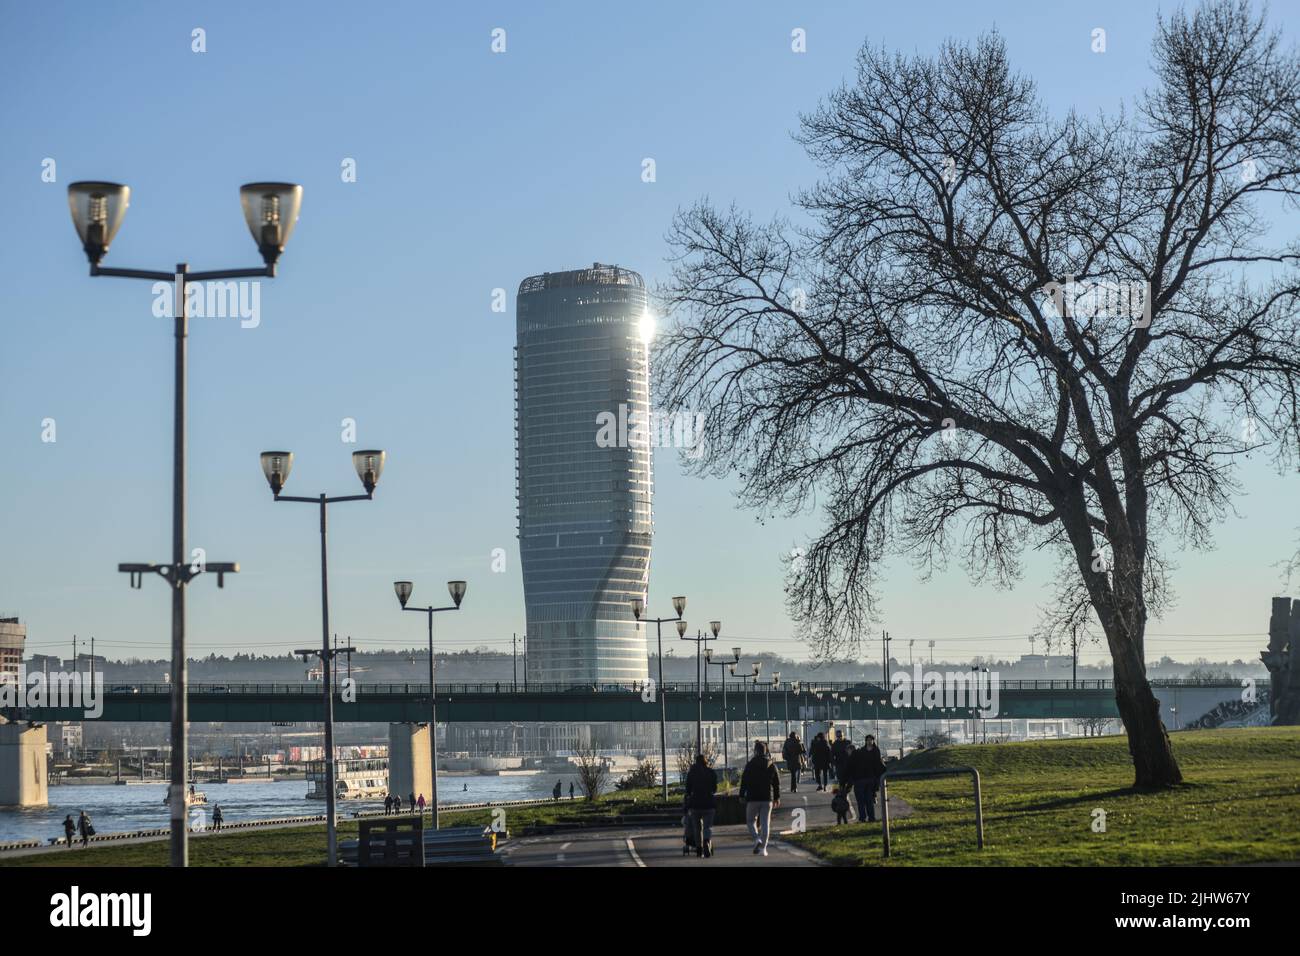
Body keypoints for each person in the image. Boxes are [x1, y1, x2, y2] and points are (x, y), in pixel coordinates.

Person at [738, 741, 781, 856]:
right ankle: (764, 849)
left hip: (752, 798)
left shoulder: (750, 765)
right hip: (767, 798)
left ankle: (757, 839)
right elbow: (776, 783)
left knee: (751, 821)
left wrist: (741, 795)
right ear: (766, 751)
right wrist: (777, 797)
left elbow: (744, 781)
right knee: (765, 823)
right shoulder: (771, 765)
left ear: (755, 751)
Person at [846, 734, 887, 823]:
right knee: (868, 800)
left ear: (850, 750)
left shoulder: (856, 755)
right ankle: (871, 817)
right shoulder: (867, 753)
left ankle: (862, 818)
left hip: (859, 781)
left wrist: (848, 785)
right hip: (870, 779)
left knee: (861, 801)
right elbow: (878, 765)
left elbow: (850, 771)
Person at [684, 753, 718, 858]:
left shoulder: (691, 773)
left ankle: (699, 849)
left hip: (695, 804)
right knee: (707, 827)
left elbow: (688, 790)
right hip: (709, 804)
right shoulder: (711, 772)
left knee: (697, 828)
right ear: (705, 762)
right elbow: (714, 789)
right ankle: (707, 841)